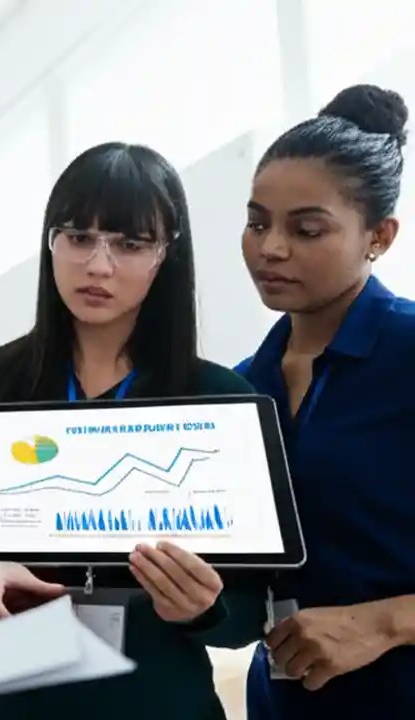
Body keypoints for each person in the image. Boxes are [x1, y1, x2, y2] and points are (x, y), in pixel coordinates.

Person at [0, 142, 266, 720]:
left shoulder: (219, 402)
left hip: (165, 703)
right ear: (50, 242)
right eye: (77, 237)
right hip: (29, 705)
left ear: (167, 256)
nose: (98, 265)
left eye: (130, 244)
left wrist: (202, 609)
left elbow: (249, 614)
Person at [236, 84, 415, 719]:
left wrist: (387, 623)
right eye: (257, 222)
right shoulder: (239, 388)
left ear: (380, 237)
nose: (271, 248)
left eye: (307, 229)